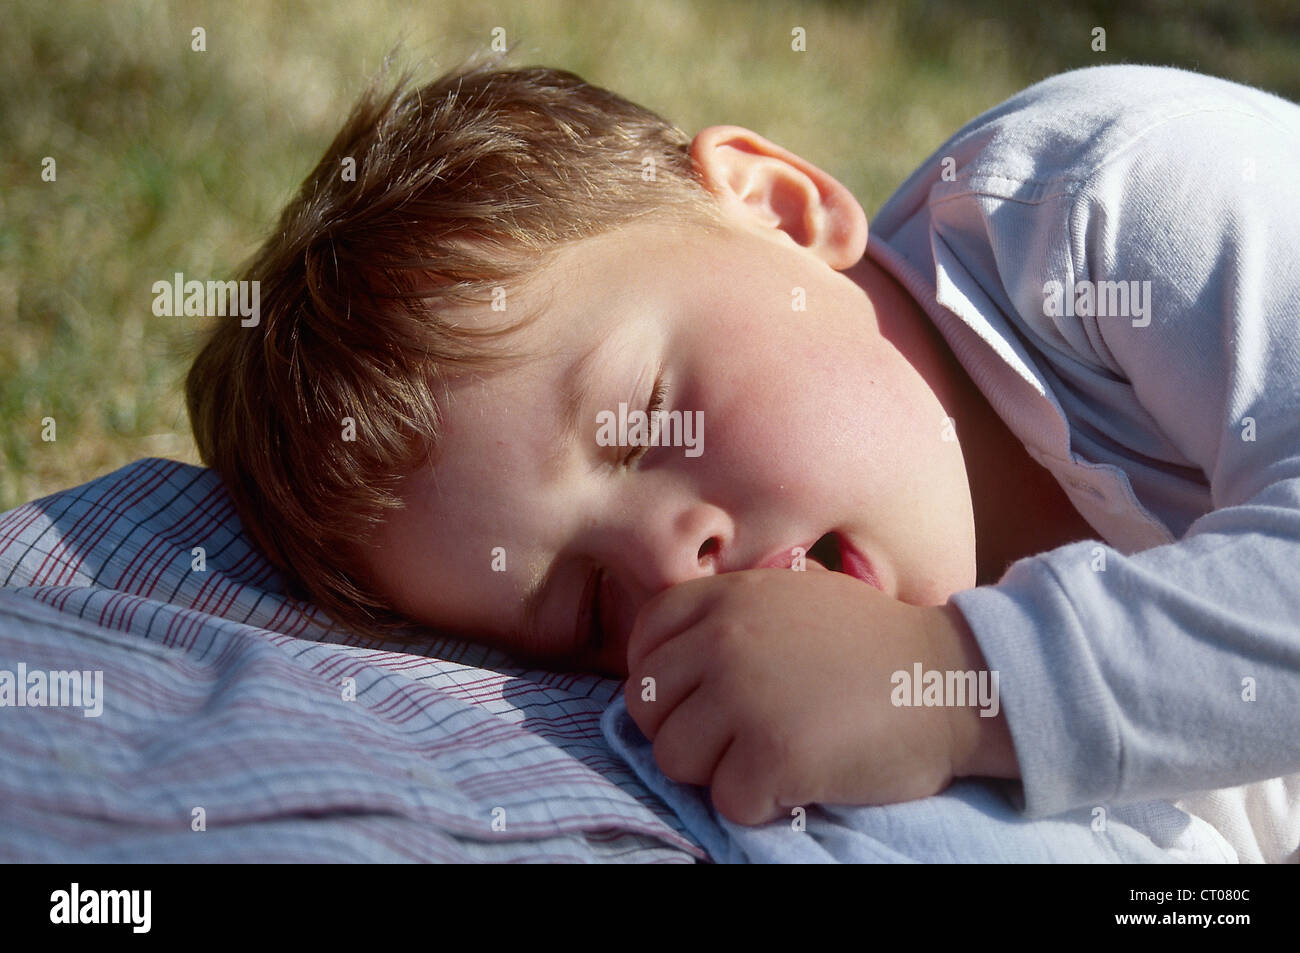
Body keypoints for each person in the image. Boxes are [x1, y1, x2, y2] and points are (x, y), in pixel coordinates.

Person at [185, 59, 1300, 861]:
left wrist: (961, 678)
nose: (675, 565)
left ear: (780, 209)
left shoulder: (1116, 197)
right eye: (589, 607)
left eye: (644, 418)